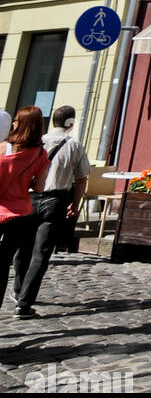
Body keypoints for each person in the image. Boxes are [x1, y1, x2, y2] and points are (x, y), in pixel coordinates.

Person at [11, 105, 90, 317]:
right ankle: (24, 303)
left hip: (29, 197)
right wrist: (76, 201)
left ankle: (18, 290)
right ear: (70, 123)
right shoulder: (74, 145)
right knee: (41, 253)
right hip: (55, 200)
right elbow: (82, 179)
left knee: (22, 248)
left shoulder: (37, 142)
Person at [0, 108, 49, 311]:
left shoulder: (3, 149)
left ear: (20, 123)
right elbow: (39, 187)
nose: (13, 124)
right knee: (3, 264)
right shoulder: (40, 153)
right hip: (21, 213)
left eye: (16, 121)